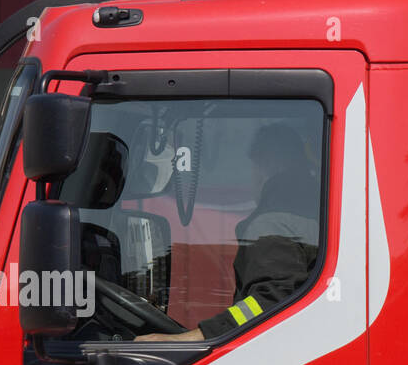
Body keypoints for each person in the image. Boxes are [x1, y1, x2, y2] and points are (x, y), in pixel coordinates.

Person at [136, 122, 320, 341]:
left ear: (264, 165)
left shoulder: (272, 223)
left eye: (251, 168)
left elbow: (269, 303)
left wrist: (195, 337)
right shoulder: (313, 211)